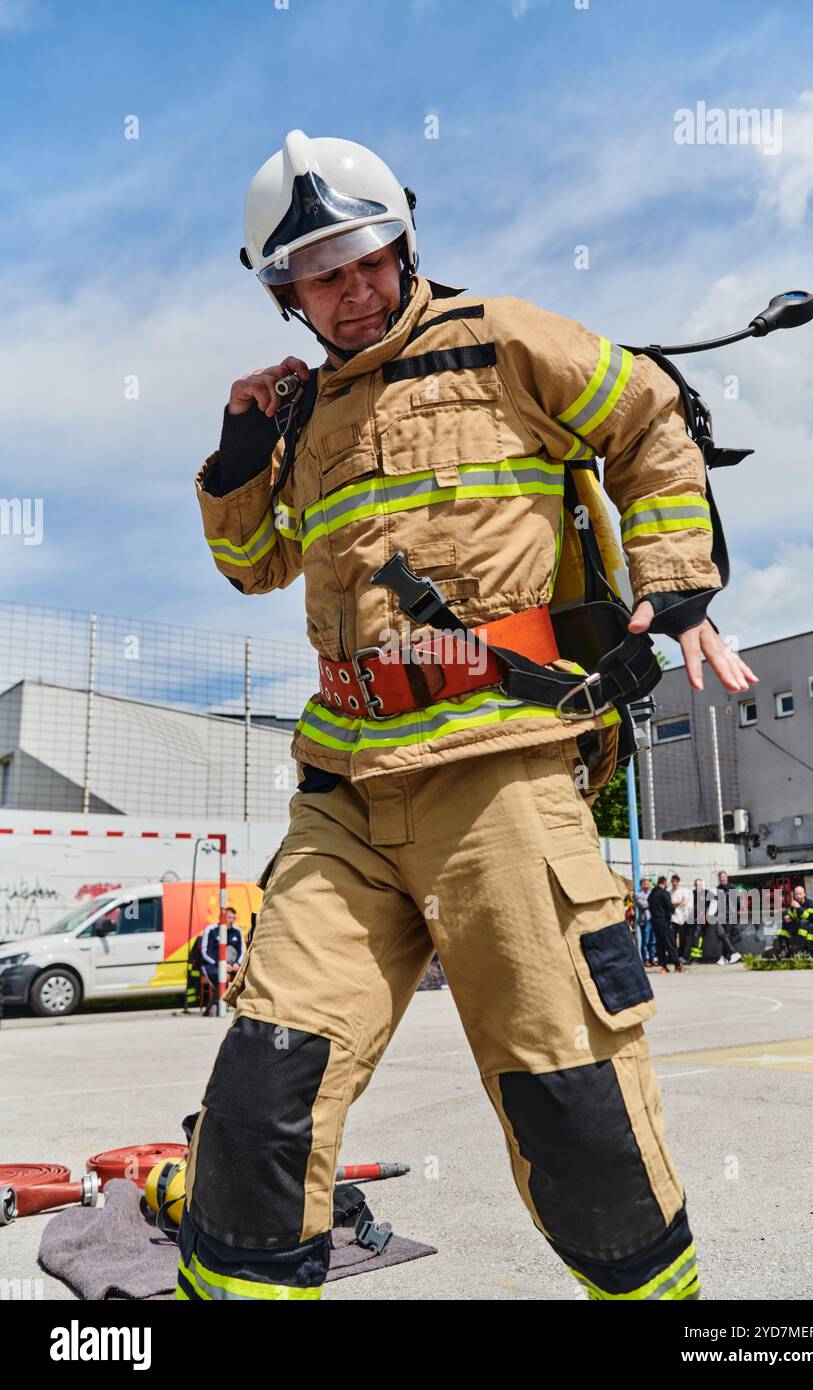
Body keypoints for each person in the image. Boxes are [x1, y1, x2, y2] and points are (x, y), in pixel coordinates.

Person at [177, 129, 757, 1304]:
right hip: (345, 783)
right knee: (263, 1082)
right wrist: (240, 447)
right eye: (319, 277)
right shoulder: (300, 418)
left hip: (499, 766)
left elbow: (648, 420)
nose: (352, 291)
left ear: (402, 240)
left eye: (366, 258)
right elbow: (251, 563)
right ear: (286, 295)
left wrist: (675, 573)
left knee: (567, 1092)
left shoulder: (503, 338)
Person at [201, 908, 245, 994]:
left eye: (234, 918)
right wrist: (222, 964)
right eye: (229, 917)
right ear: (221, 917)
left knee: (246, 975)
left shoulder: (237, 931)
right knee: (220, 975)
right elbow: (205, 952)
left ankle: (239, 1002)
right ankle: (219, 1002)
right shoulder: (211, 930)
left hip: (233, 964)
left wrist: (237, 964)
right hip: (214, 964)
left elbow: (242, 951)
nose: (231, 920)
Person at [648, 877, 682, 975]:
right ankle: (677, 965)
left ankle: (663, 967)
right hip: (664, 921)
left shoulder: (651, 894)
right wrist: (675, 908)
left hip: (655, 921)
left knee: (659, 945)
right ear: (664, 883)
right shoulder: (664, 893)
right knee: (670, 943)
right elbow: (670, 906)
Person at [713, 872, 742, 964]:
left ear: (727, 878)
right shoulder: (717, 889)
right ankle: (733, 953)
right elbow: (715, 903)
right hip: (720, 915)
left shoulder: (732, 887)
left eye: (724, 877)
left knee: (727, 936)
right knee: (721, 934)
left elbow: (737, 902)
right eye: (721, 877)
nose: (722, 879)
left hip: (730, 915)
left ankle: (725, 957)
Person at [635, 877, 655, 967]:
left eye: (647, 883)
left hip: (653, 920)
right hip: (645, 921)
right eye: (644, 883)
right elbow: (644, 905)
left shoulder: (652, 893)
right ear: (641, 885)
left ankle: (652, 959)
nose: (646, 885)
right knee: (645, 941)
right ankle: (645, 960)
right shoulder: (638, 895)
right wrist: (652, 902)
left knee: (652, 941)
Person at [669, 874, 689, 963]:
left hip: (682, 918)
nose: (674, 883)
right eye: (673, 881)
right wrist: (679, 902)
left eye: (676, 881)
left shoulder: (683, 891)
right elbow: (669, 903)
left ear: (678, 882)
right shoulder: (669, 892)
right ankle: (673, 956)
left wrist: (674, 903)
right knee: (672, 938)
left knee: (683, 938)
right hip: (672, 918)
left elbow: (685, 902)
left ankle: (681, 955)